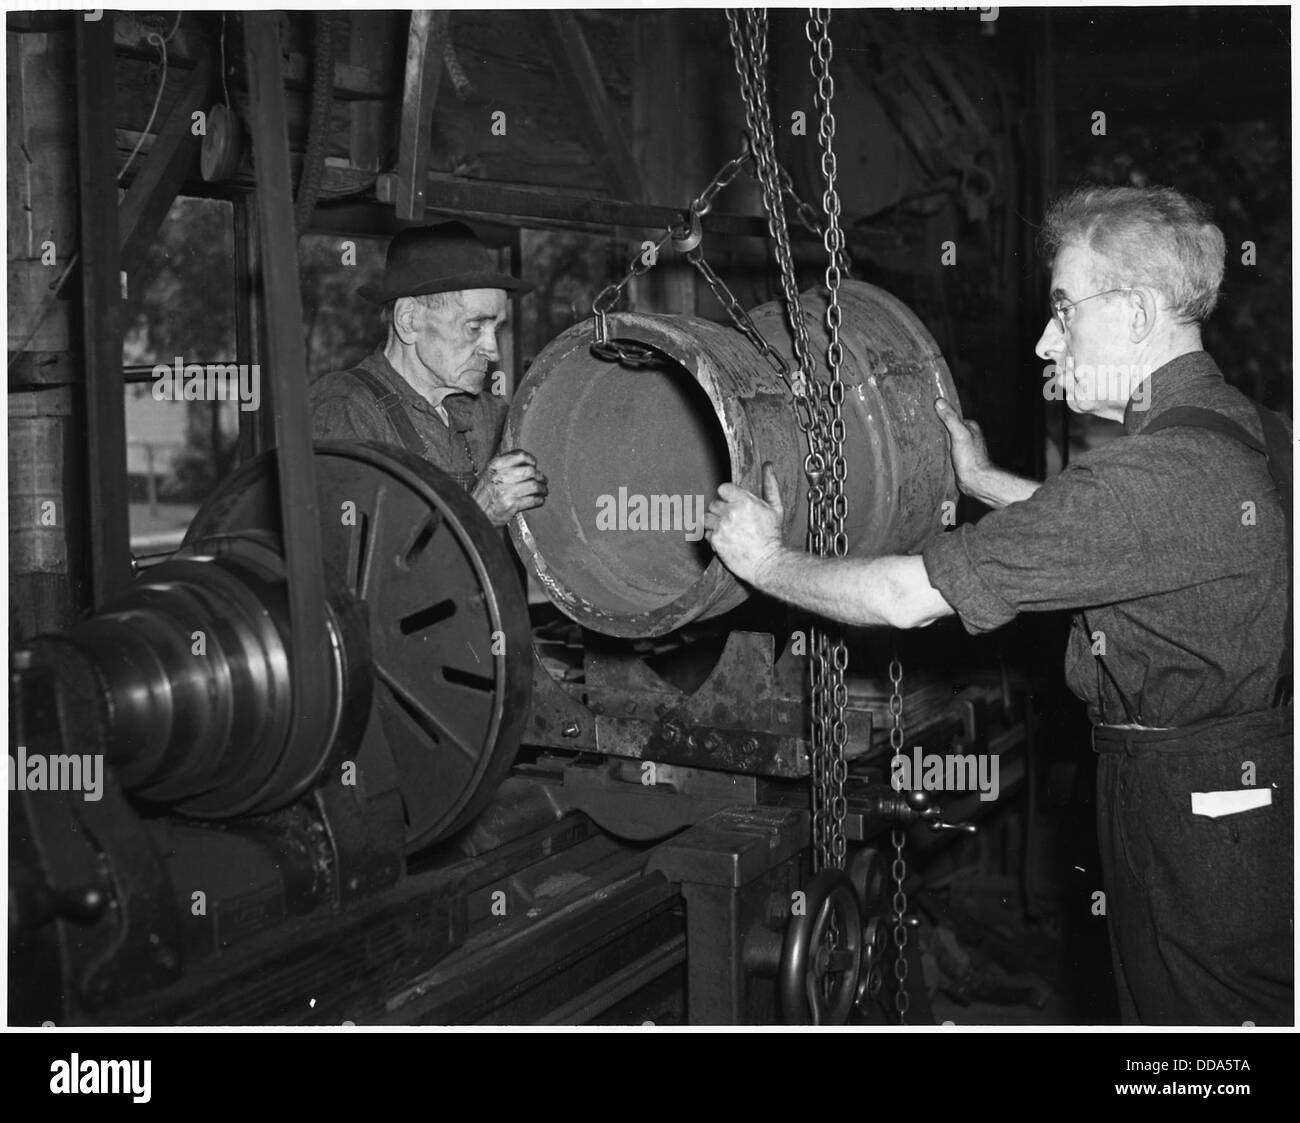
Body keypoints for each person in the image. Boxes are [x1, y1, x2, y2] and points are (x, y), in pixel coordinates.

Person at [704, 185, 1293, 1026]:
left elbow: (908, 598)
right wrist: (983, 483)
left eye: (1064, 309)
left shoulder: (1151, 476)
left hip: (1196, 829)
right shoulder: (1244, 429)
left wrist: (765, 559)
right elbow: (1121, 539)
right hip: (1251, 793)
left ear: (1131, 312)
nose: (1046, 338)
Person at [310, 221, 548, 526]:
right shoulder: (343, 410)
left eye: (496, 328)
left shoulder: (490, 415)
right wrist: (477, 516)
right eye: (475, 327)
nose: (493, 351)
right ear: (409, 320)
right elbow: (344, 567)